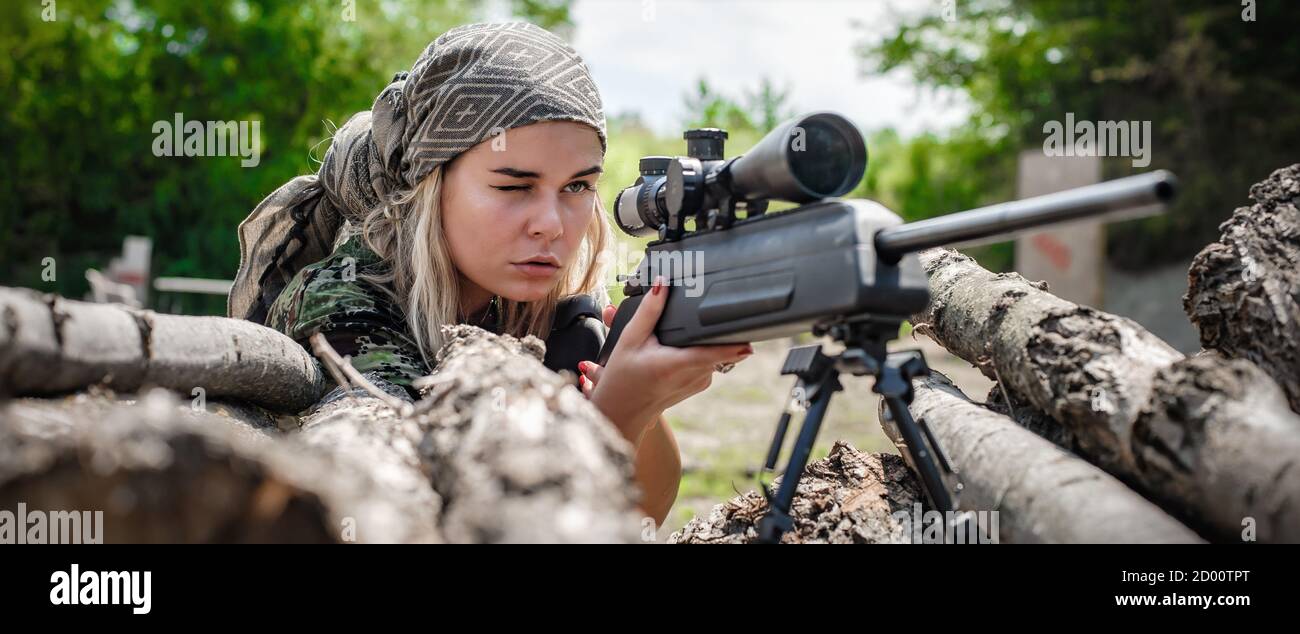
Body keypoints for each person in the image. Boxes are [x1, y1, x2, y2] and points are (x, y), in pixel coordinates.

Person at [227, 22, 752, 525]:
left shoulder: (546, 315)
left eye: (577, 187)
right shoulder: (341, 304)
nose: (551, 225)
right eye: (513, 186)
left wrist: (645, 402)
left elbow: (642, 519)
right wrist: (618, 413)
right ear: (433, 185)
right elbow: (434, 522)